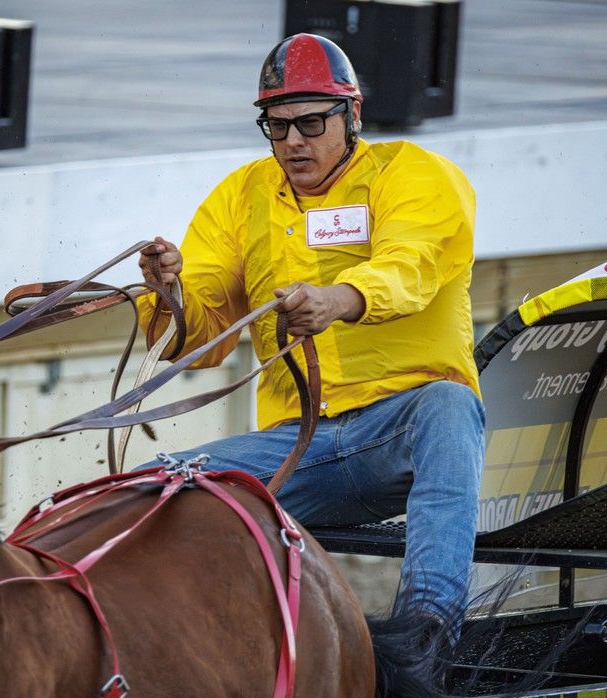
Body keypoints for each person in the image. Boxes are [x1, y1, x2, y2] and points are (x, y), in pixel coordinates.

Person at [137, 33, 484, 639]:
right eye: (277, 126)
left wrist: (339, 300)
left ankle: (428, 634)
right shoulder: (241, 196)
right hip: (298, 446)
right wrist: (169, 294)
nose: (294, 141)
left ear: (353, 117)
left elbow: (412, 265)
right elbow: (204, 338)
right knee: (156, 484)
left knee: (450, 407)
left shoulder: (414, 174)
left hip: (397, 433)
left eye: (311, 123)